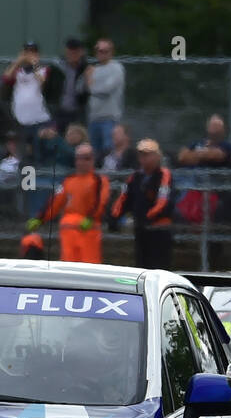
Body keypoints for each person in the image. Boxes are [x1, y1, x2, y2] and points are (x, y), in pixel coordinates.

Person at [27, 143, 110, 263]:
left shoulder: (99, 180)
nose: (82, 161)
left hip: (88, 231)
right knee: (68, 267)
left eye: (87, 158)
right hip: (68, 232)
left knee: (89, 267)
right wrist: (40, 218)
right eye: (79, 158)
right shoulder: (68, 181)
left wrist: (92, 218)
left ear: (93, 159)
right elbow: (55, 202)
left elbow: (101, 201)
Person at [110, 138, 174, 268]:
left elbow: (163, 201)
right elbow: (123, 199)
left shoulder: (164, 175)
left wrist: (147, 217)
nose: (144, 158)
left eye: (147, 154)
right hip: (141, 229)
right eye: (141, 154)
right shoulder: (135, 177)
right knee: (142, 266)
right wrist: (114, 217)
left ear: (157, 156)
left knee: (160, 267)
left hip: (159, 229)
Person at [1, 41, 52, 162]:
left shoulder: (44, 70)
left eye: (32, 52)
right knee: (24, 154)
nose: (29, 55)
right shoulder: (18, 72)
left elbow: (42, 81)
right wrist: (18, 61)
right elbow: (6, 78)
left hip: (38, 119)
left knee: (39, 151)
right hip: (21, 120)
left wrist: (34, 65)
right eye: (27, 52)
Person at [84, 38, 125, 159]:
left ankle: (111, 177)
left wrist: (90, 82)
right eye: (98, 50)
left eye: (105, 51)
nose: (101, 53)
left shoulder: (116, 68)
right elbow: (81, 88)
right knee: (94, 155)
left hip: (109, 119)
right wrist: (87, 79)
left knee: (109, 153)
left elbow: (106, 89)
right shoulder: (93, 69)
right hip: (93, 118)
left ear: (111, 52)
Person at [52, 37, 90, 131]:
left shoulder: (86, 69)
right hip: (59, 111)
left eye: (75, 51)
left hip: (77, 112)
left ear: (81, 52)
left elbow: (87, 91)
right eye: (70, 51)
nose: (72, 54)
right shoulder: (58, 66)